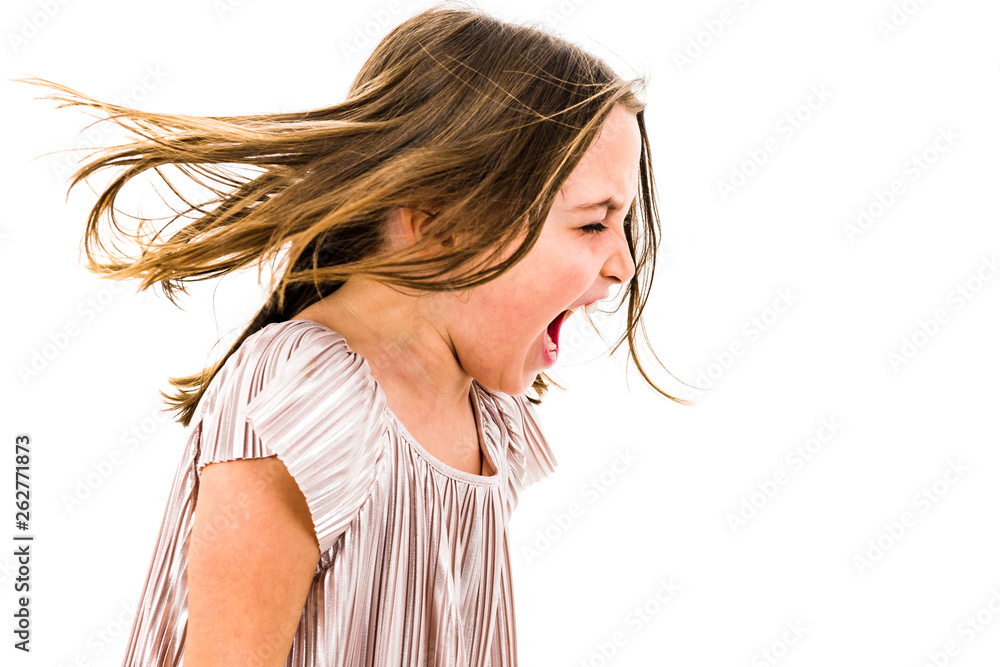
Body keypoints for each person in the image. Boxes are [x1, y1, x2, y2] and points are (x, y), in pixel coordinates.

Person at [18, 2, 687, 664]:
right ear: (439, 218)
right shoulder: (305, 398)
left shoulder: (486, 411)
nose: (623, 262)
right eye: (593, 222)